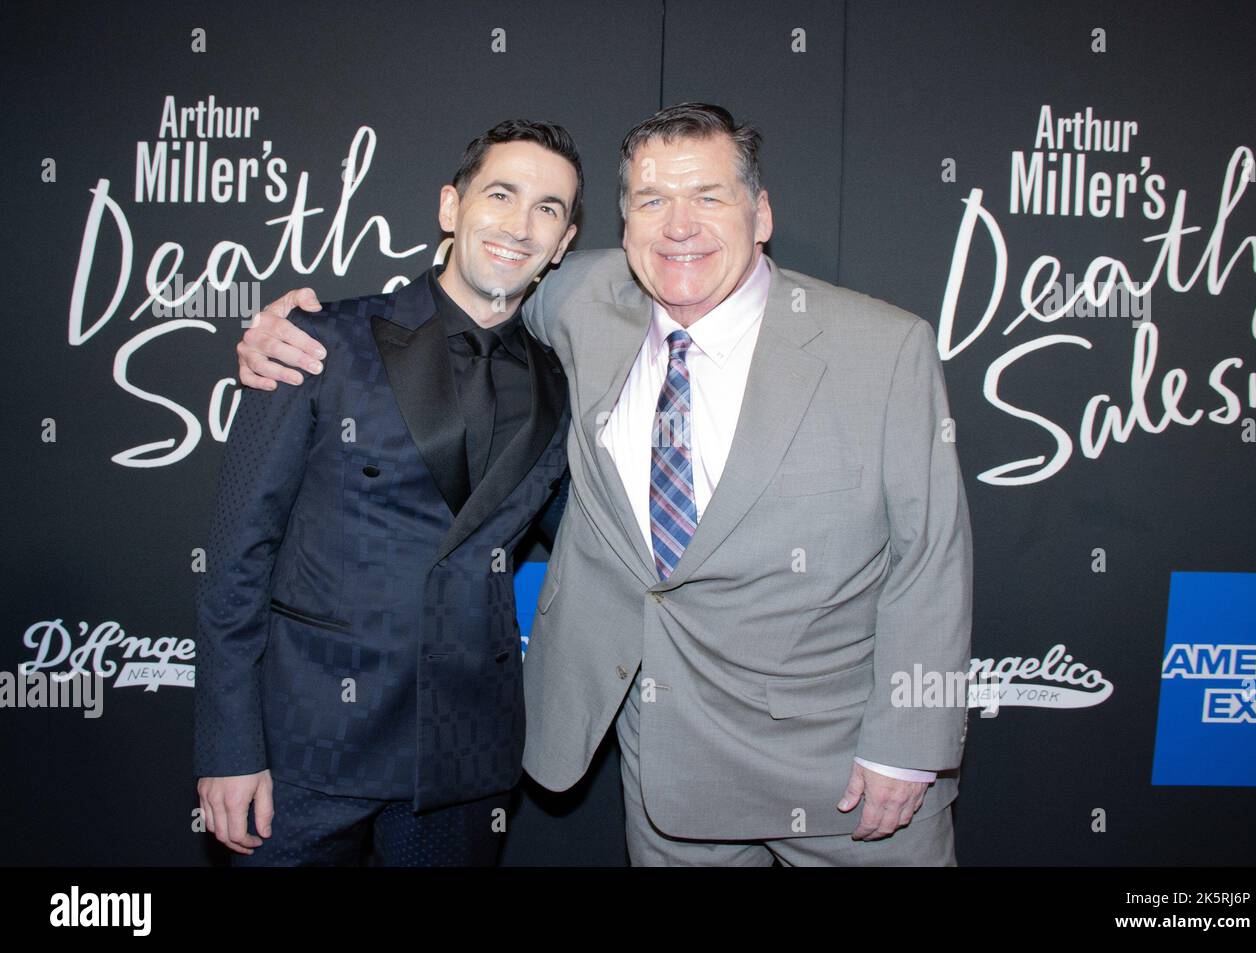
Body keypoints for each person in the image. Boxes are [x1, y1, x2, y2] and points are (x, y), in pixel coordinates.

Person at [238, 103, 973, 866]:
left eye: (708, 196)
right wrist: (300, 324)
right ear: (620, 227)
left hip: (844, 774)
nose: (678, 225)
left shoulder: (882, 346)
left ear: (761, 215)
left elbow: (931, 557)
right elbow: (464, 292)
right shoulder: (580, 299)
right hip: (665, 768)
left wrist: (908, 746)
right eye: (652, 201)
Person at [194, 119, 581, 866]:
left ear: (564, 243)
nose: (520, 224)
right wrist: (228, 745)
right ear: (450, 206)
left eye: (548, 208)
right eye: (501, 194)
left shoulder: (561, 385)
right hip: (306, 743)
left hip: (462, 752)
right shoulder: (318, 341)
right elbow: (237, 556)